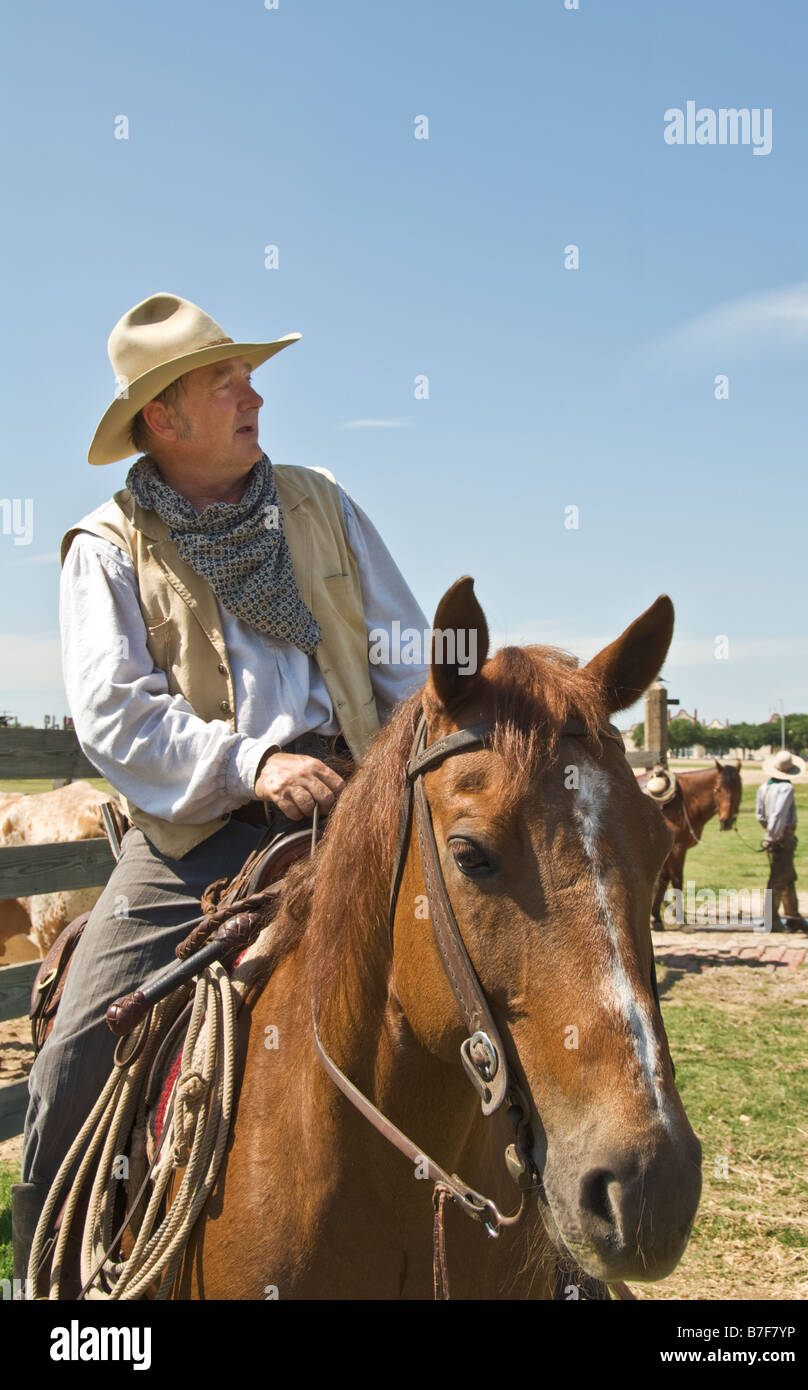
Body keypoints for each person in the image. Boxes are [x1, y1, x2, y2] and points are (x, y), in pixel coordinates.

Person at [13, 291, 429, 1280]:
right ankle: (44, 1282)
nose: (253, 394)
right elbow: (115, 716)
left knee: (497, 977)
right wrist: (253, 762)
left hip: (357, 814)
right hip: (196, 836)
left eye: (245, 375)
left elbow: (406, 656)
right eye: (225, 380)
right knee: (73, 1054)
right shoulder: (105, 548)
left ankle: (552, 1230)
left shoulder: (319, 502)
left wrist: (405, 770)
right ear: (163, 417)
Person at [756, 748, 808, 933]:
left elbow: (760, 815)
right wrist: (773, 836)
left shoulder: (764, 787)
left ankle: (793, 916)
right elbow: (778, 814)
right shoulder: (786, 788)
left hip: (773, 835)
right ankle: (771, 920)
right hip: (782, 837)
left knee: (788, 876)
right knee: (779, 879)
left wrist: (768, 832)